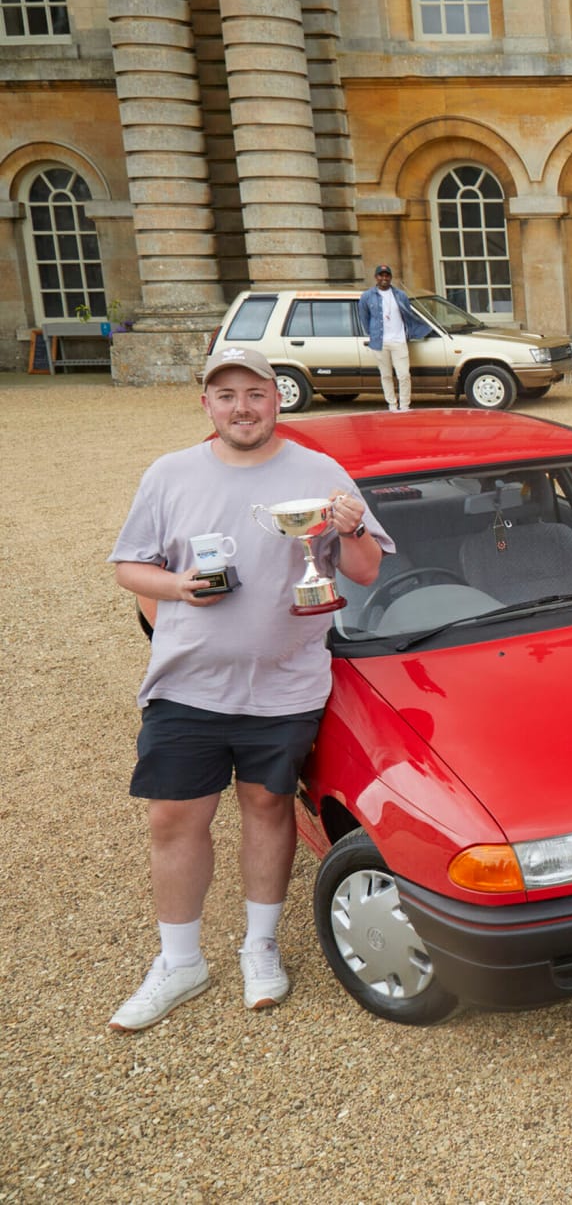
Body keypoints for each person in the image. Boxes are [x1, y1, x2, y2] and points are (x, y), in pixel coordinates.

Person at [105, 345, 390, 1030]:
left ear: (278, 399)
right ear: (206, 403)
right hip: (186, 684)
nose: (242, 407)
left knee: (267, 809)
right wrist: (178, 587)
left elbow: (366, 569)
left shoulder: (320, 472)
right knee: (174, 818)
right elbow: (127, 566)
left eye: (255, 393)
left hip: (286, 686)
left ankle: (259, 947)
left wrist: (350, 528)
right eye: (226, 394)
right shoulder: (170, 474)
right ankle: (180, 961)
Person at [359, 263, 433, 411]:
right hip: (380, 342)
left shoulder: (400, 295)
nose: (384, 278)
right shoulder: (367, 296)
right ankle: (392, 405)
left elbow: (408, 315)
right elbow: (364, 318)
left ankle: (404, 405)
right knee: (386, 376)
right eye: (381, 275)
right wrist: (373, 334)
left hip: (399, 340)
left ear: (391, 277)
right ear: (376, 277)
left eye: (387, 275)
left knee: (404, 375)